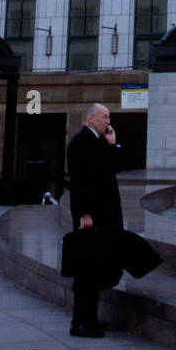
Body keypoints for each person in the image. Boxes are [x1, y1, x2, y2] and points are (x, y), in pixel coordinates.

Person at [65, 102, 124, 337]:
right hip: (90, 218)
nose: (108, 122)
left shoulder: (98, 142)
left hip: (103, 216)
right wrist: (84, 213)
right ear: (90, 119)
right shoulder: (81, 143)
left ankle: (90, 319)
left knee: (95, 267)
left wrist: (114, 144)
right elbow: (79, 182)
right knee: (86, 271)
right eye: (104, 117)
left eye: (108, 117)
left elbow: (114, 168)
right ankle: (80, 322)